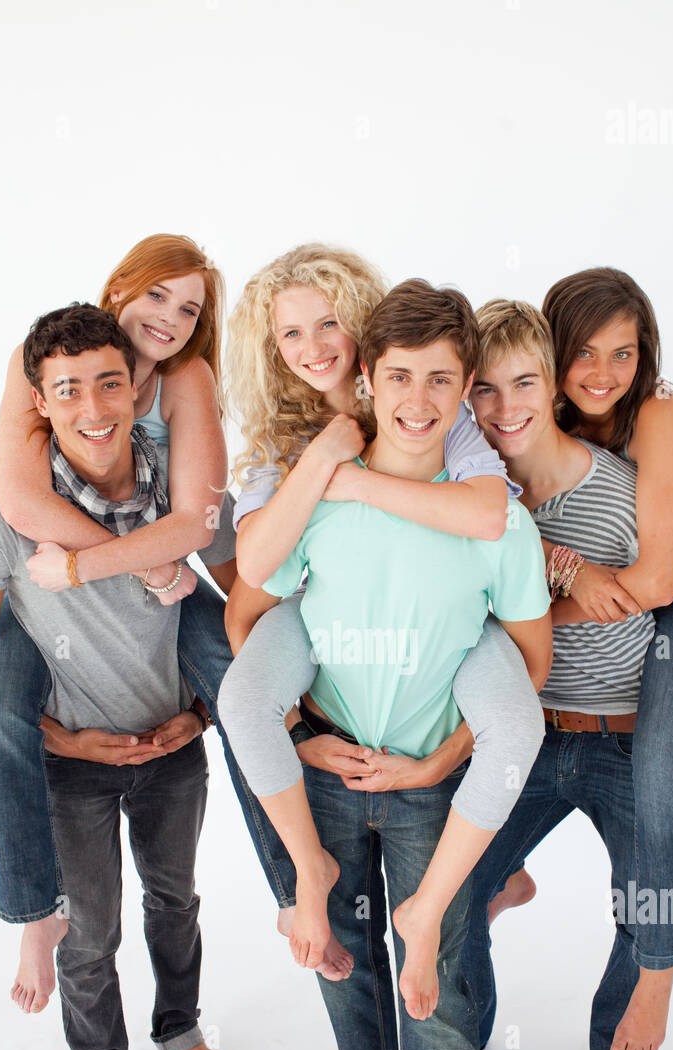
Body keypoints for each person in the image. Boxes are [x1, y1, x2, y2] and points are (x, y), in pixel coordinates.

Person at [225, 279, 551, 1050]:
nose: (417, 399)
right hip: (331, 764)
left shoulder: (491, 521)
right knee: (339, 960)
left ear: (464, 393)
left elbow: (529, 660)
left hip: (425, 784)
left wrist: (445, 756)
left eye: (440, 381)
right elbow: (249, 617)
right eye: (398, 376)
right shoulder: (314, 494)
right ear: (365, 379)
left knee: (438, 994)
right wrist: (301, 733)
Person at [464, 298, 673, 1050]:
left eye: (519, 384)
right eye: (482, 392)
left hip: (628, 734)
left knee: (643, 902)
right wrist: (558, 577)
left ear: (544, 384)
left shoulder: (632, 488)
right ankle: (462, 1036)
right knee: (452, 892)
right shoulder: (473, 492)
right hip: (531, 735)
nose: (502, 407)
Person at [0, 234, 292, 1014]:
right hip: (43, 586)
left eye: (189, 308)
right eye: (157, 295)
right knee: (2, 718)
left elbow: (196, 524)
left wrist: (165, 572)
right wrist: (133, 564)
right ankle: (34, 911)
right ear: (120, 290)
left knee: (250, 686)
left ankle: (294, 884)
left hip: (153, 567)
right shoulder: (49, 353)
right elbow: (21, 504)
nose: (170, 318)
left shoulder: (183, 377)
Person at [219, 244, 544, 994]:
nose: (313, 349)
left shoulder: (437, 416)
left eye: (328, 323)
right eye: (289, 335)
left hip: (442, 613)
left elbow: (489, 515)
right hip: (321, 612)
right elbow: (257, 578)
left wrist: (356, 484)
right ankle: (305, 872)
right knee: (241, 699)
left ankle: (438, 906)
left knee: (494, 705)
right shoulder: (286, 442)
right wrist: (322, 463)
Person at [0, 305, 243, 1050]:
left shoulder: (180, 491)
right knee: (89, 935)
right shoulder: (7, 511)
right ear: (40, 403)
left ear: (136, 387)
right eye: (69, 389)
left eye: (109, 382)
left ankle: (181, 1031)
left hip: (171, 748)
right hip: (72, 765)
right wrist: (50, 736)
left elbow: (238, 620)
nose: (94, 406)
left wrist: (201, 715)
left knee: (177, 905)